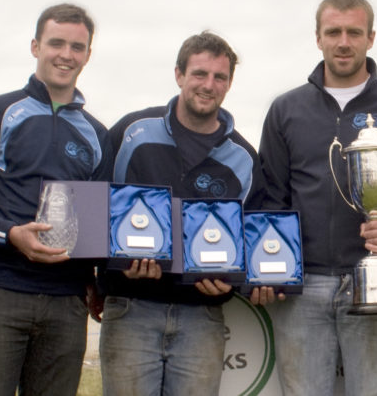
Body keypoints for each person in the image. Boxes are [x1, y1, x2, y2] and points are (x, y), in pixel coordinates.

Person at [257, 0, 377, 395]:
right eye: (334, 32)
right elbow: (271, 198)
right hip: (303, 286)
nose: (344, 42)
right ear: (318, 38)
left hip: (376, 283)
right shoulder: (286, 110)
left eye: (354, 33)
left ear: (371, 38)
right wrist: (272, 269)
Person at [0, 3, 106, 396]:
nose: (66, 55)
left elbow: (96, 221)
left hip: (66, 302)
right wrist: (10, 234)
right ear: (35, 46)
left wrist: (96, 282)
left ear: (88, 55)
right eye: (56, 43)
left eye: (77, 47)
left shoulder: (97, 133)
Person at [93, 31, 262, 395]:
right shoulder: (132, 132)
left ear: (229, 83)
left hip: (202, 317)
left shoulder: (244, 158)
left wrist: (233, 282)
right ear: (179, 74)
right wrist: (108, 268)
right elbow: (96, 209)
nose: (208, 85)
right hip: (131, 309)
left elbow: (253, 238)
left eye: (219, 77)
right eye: (199, 73)